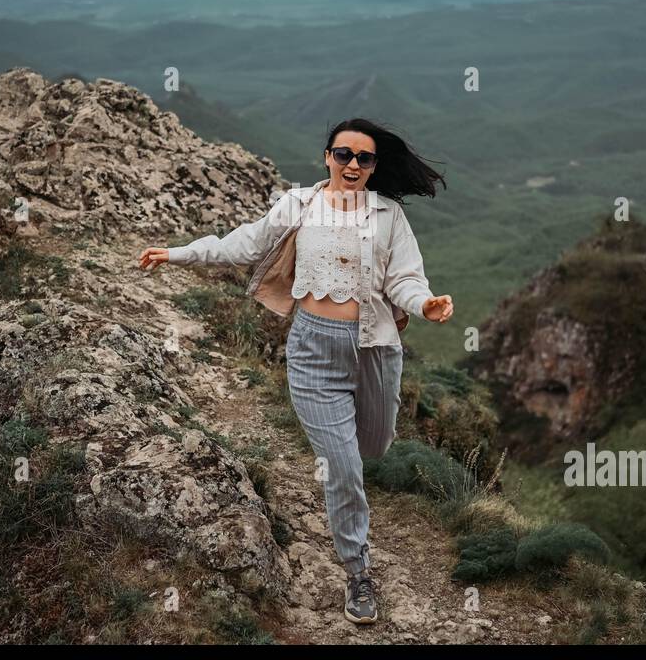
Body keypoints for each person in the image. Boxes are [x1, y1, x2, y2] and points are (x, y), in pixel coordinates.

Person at [139, 119, 452, 625]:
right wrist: (177, 253)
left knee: (372, 446)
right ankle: (358, 571)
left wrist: (425, 304)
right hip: (311, 350)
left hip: (373, 349)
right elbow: (242, 244)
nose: (353, 165)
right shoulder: (298, 205)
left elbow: (405, 278)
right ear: (326, 156)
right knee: (345, 465)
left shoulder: (388, 214)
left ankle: (351, 490)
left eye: (364, 158)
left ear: (374, 166)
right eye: (343, 154)